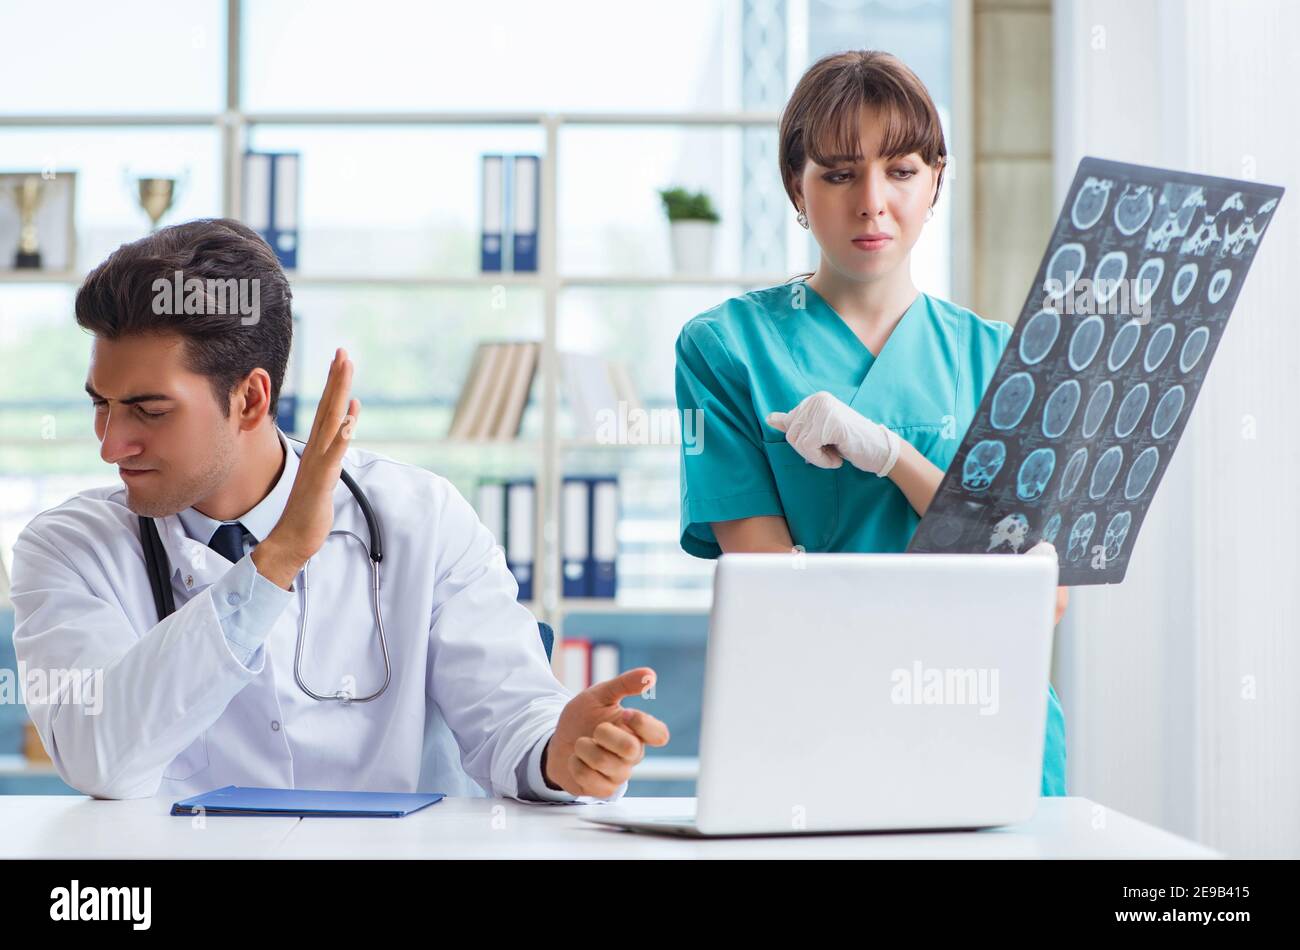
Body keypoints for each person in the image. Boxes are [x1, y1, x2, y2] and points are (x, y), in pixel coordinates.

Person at [11, 218, 668, 801]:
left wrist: (563, 756)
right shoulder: (66, 549)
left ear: (250, 400)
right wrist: (274, 564)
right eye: (102, 403)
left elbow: (511, 722)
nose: (111, 444)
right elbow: (99, 759)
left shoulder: (422, 517)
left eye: (148, 411)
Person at [674, 50, 1067, 795]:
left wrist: (890, 456)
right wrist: (967, 557)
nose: (872, 203)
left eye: (903, 170)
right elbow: (770, 595)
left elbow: (1038, 599)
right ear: (797, 185)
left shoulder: (1000, 358)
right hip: (823, 735)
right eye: (839, 173)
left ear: (937, 181)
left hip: (995, 728)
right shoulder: (726, 349)